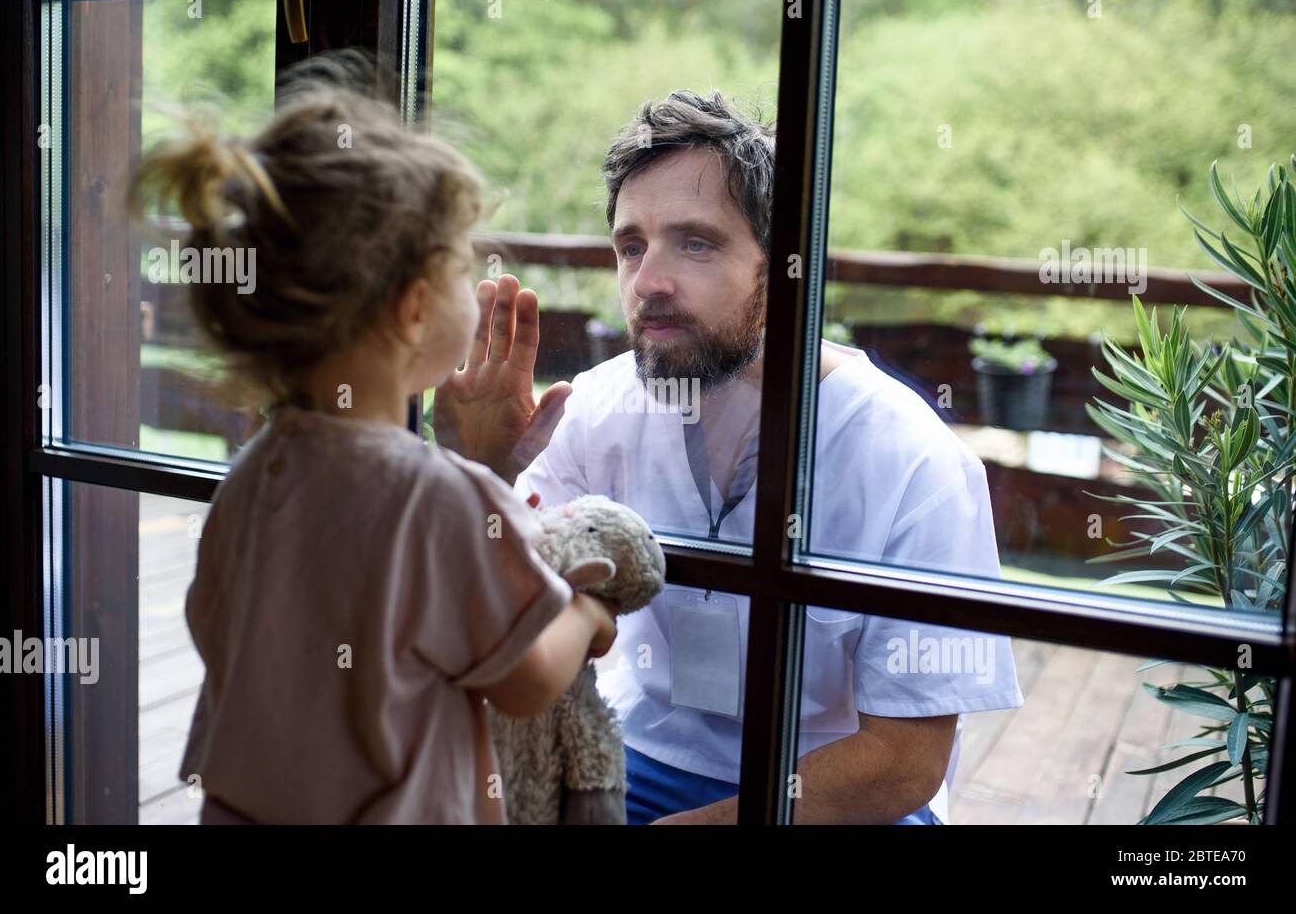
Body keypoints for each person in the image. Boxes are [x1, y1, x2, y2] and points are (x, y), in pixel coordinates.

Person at [435, 90, 1025, 825]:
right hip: (643, 756)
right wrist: (480, 472)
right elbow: (495, 629)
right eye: (631, 246)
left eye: (697, 243)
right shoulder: (590, 407)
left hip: (829, 789)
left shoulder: (912, 460)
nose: (648, 281)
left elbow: (903, 761)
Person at [131, 54, 618, 824]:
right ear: (413, 309)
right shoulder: (438, 494)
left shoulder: (256, 469)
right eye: (464, 265)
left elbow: (211, 620)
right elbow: (524, 680)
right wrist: (585, 615)